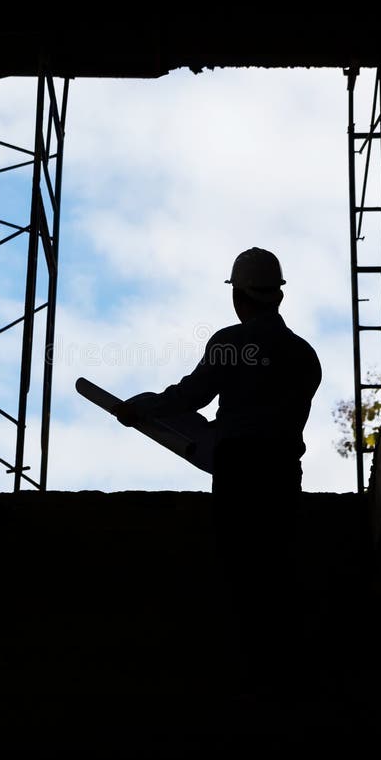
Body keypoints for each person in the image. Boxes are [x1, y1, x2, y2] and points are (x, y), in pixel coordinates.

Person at [114, 247, 322, 690]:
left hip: (240, 470)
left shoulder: (231, 344)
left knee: (240, 569)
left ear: (238, 296)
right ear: (278, 296)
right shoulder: (305, 356)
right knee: (278, 569)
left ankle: (249, 674)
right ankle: (285, 674)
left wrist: (142, 407)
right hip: (284, 472)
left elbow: (191, 395)